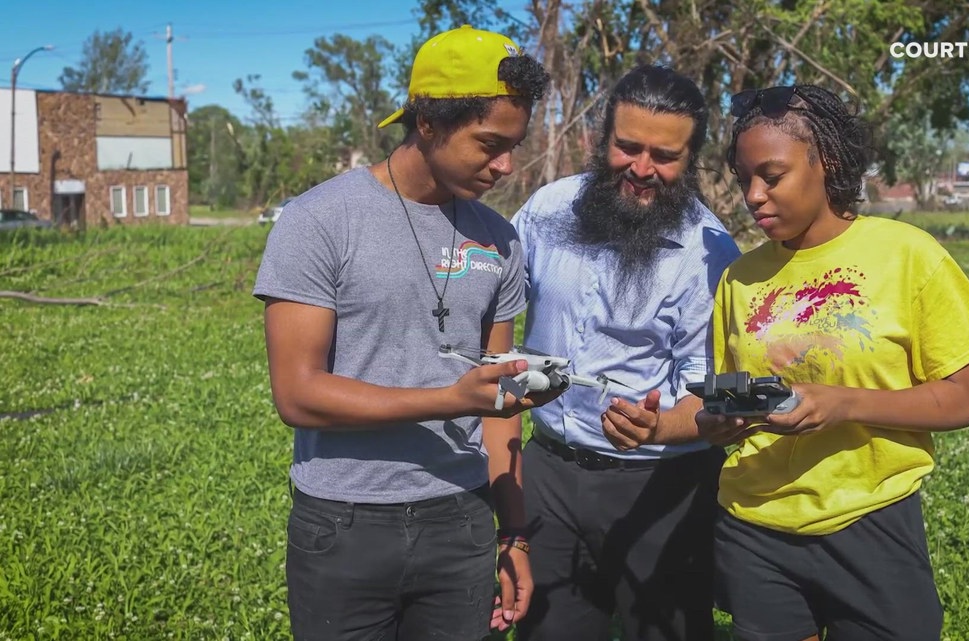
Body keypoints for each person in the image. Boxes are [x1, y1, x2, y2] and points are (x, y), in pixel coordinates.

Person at [253, 25, 554, 641]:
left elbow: (499, 401)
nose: (505, 166)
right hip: (344, 524)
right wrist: (449, 399)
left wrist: (514, 533)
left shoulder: (500, 239)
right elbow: (298, 394)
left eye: (514, 146)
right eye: (489, 144)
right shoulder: (319, 221)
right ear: (428, 122)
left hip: (462, 519)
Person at [702, 85, 969, 640]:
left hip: (871, 520)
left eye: (772, 176)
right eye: (744, 180)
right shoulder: (739, 279)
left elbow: (961, 400)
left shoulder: (908, 255)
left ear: (829, 163)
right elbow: (724, 396)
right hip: (753, 526)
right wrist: (719, 421)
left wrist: (843, 404)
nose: (753, 196)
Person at [509, 64, 742, 641]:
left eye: (664, 156)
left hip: (661, 486)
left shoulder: (709, 254)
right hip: (548, 472)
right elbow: (492, 306)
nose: (641, 169)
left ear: (691, 159)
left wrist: (660, 426)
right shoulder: (547, 210)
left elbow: (710, 394)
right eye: (627, 147)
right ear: (601, 138)